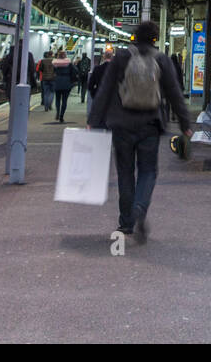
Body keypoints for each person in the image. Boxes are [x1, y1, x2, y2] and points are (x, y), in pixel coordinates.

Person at [87, 21, 192, 242]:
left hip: (121, 124)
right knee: (148, 171)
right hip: (149, 124)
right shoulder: (161, 59)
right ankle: (139, 208)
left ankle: (126, 222)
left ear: (135, 36)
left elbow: (105, 89)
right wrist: (185, 124)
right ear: (154, 38)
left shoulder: (122, 57)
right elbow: (174, 92)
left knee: (125, 173)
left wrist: (93, 120)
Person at [50, 48, 75, 122]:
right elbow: (74, 71)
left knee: (57, 99)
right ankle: (61, 116)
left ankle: (57, 112)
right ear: (65, 55)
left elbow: (53, 71)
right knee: (64, 100)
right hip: (67, 82)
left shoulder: (55, 62)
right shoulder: (68, 62)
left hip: (57, 81)